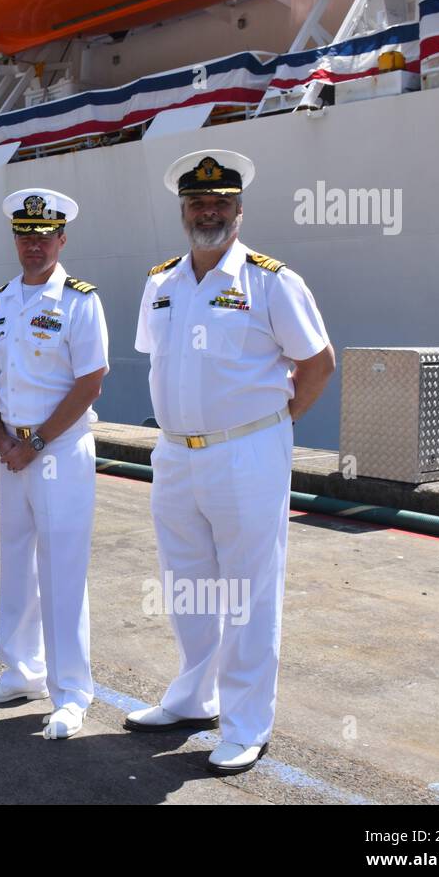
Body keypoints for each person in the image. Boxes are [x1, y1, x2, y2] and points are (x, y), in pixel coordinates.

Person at [126, 149, 336, 774]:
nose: (208, 212)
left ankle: (247, 723)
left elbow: (318, 363)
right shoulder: (160, 283)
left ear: (239, 211)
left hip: (247, 452)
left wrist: (273, 425)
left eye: (220, 203)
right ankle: (194, 697)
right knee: (186, 584)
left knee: (248, 591)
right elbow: (160, 362)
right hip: (175, 453)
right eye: (197, 203)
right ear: (184, 210)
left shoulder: (272, 282)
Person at [0, 189, 109, 740]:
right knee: (17, 562)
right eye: (25, 236)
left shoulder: (80, 300)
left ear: (61, 240)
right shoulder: (3, 299)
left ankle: (71, 692)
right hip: (13, 454)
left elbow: (91, 380)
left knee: (62, 570)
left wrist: (37, 442)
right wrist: (1, 437)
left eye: (43, 236)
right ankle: (22, 670)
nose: (33, 245)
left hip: (61, 453)